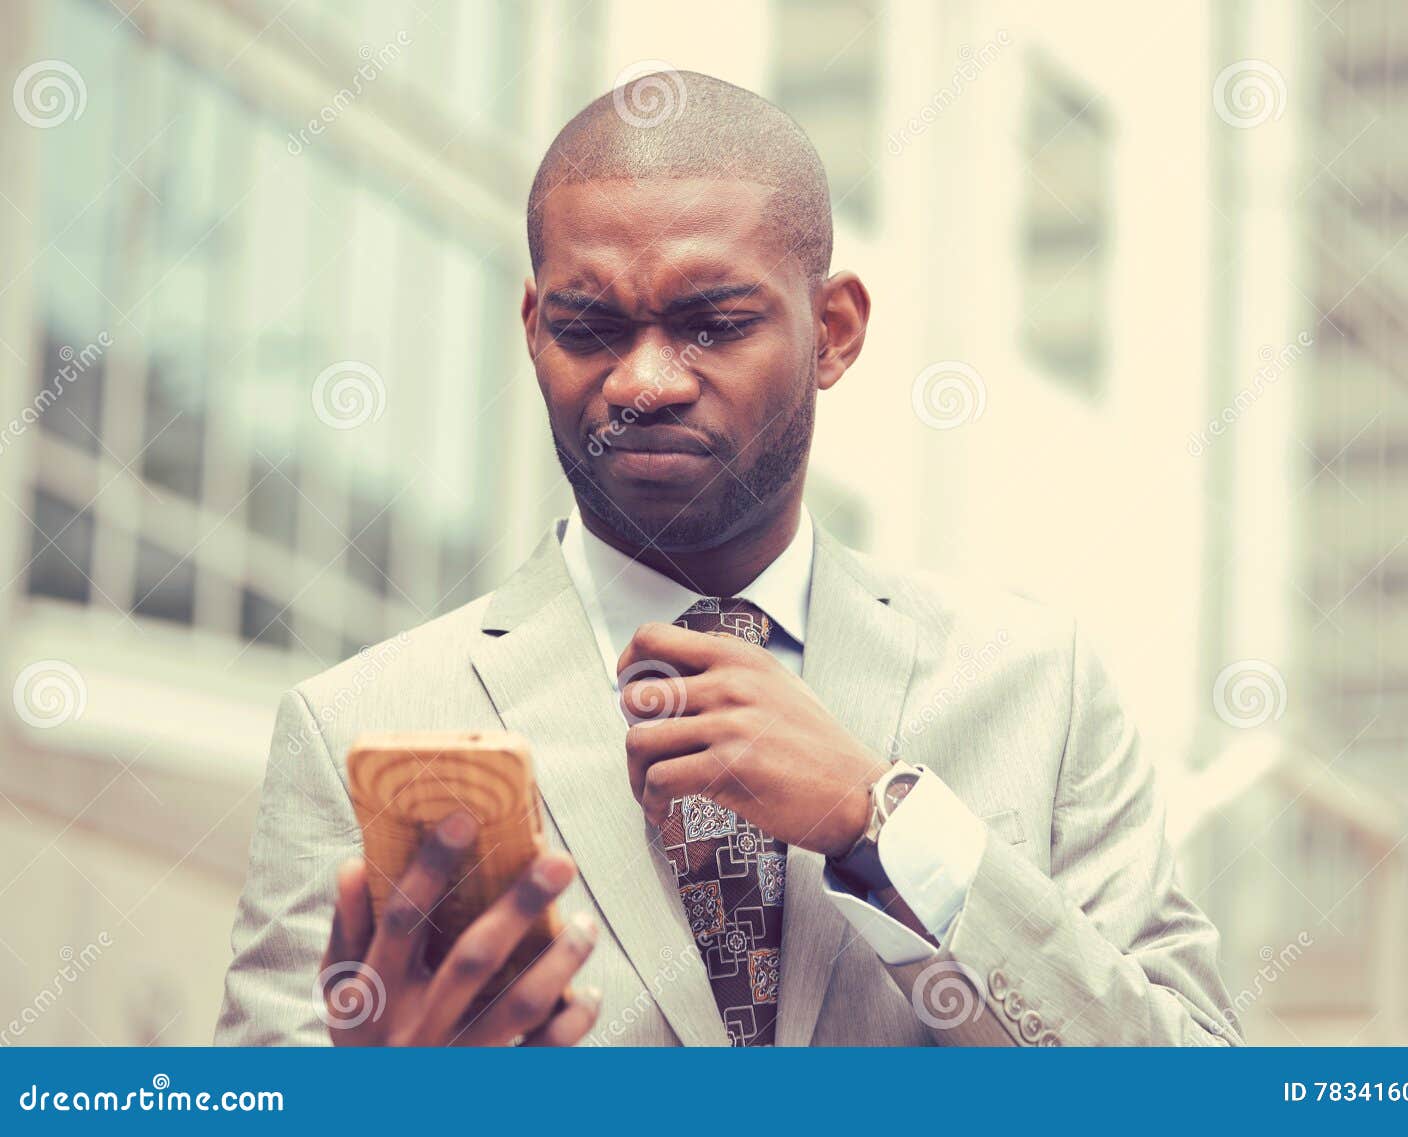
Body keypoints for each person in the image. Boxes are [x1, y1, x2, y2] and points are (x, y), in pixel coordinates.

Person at [215, 70, 1238, 1048]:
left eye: (712, 324)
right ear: (534, 329)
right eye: (589, 327)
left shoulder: (1035, 689)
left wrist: (879, 819)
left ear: (833, 332)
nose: (645, 380)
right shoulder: (357, 726)